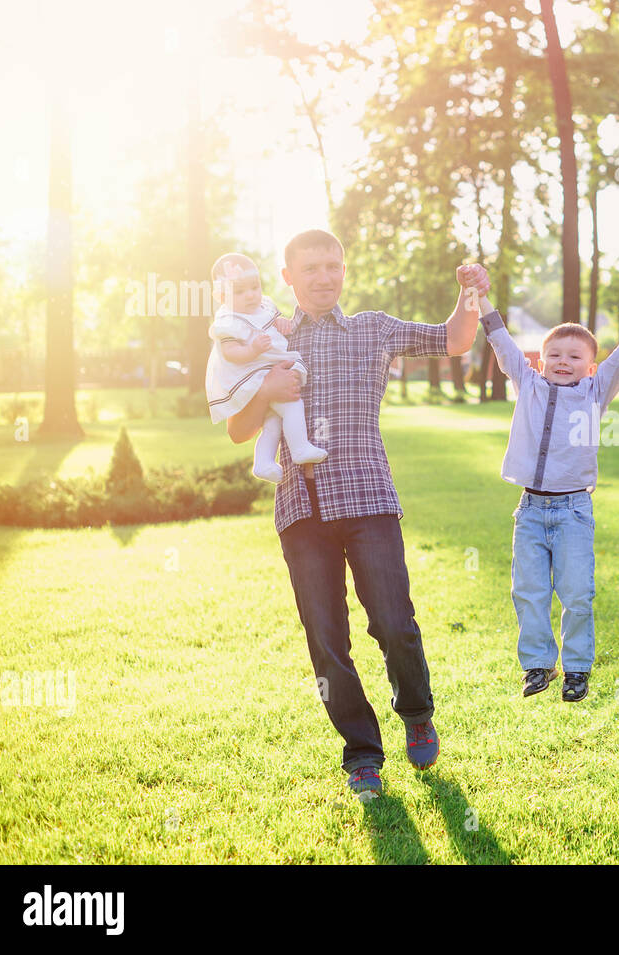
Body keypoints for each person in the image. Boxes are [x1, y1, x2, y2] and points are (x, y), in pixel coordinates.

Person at [226, 229, 486, 800]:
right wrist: (265, 386)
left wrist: (470, 294)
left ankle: (416, 711)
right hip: (302, 510)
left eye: (333, 266)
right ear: (289, 277)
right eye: (310, 268)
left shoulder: (375, 327)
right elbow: (238, 429)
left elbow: (454, 340)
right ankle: (362, 753)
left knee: (393, 622)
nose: (324, 277)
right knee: (326, 640)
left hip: (369, 500)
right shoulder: (267, 339)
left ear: (344, 270)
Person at [477, 293, 619, 701]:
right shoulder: (528, 384)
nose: (563, 361)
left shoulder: (596, 392)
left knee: (577, 593)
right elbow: (501, 343)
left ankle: (576, 668)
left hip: (573, 511)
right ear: (540, 362)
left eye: (574, 357)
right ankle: (537, 665)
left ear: (591, 367)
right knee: (528, 590)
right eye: (555, 354)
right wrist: (482, 298)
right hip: (529, 511)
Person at [205, 252, 327, 482]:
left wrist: (281, 323)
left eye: (254, 287)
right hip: (255, 374)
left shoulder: (264, 306)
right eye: (239, 291)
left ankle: (263, 463)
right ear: (221, 296)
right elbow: (230, 352)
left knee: (273, 422)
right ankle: (300, 447)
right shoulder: (228, 322)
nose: (250, 295)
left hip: (271, 366)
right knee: (292, 403)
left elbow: (276, 322)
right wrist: (252, 350)